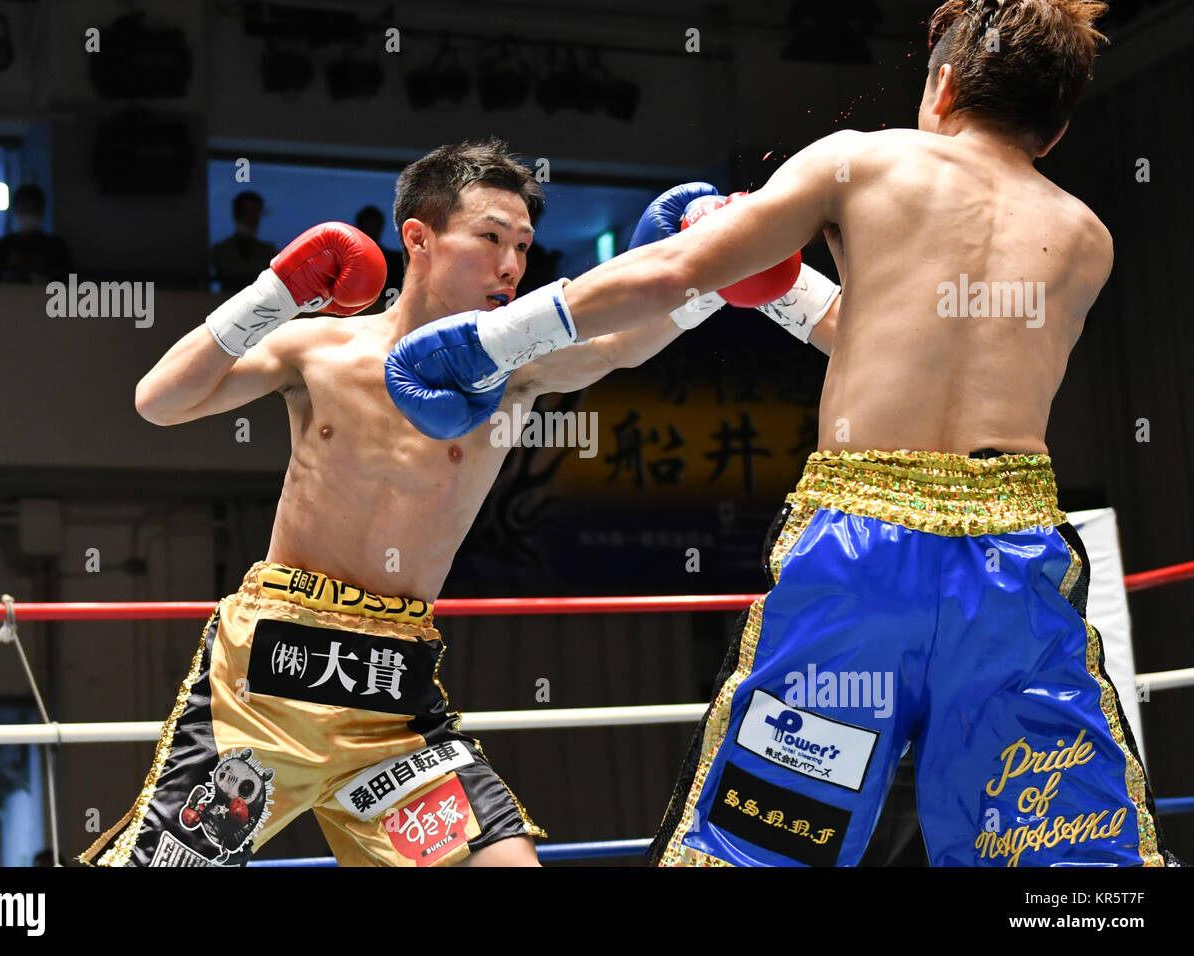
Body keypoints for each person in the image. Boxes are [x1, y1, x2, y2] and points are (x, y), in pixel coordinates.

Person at [383, 0, 1182, 866]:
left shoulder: (860, 160)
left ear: (944, 84)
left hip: (861, 550)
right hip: (1014, 561)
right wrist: (793, 290)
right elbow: (909, 336)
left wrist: (492, 339)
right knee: (1060, 851)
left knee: (764, 836)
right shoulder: (1086, 237)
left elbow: (677, 270)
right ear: (1056, 129)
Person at [80, 139, 716, 868]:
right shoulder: (318, 348)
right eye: (490, 238)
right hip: (270, 679)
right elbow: (160, 401)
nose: (511, 265)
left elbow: (621, 343)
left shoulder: (515, 367)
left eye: (522, 245)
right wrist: (274, 293)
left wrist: (711, 270)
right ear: (419, 237)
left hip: (392, 697)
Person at [0, 184, 72, 284]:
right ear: (16, 210)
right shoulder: (2, 247)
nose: (28, 214)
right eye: (24, 209)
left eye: (33, 209)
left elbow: (68, 282)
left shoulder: (56, 247)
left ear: (42, 211)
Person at [212, 191, 277, 294]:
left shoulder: (268, 251)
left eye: (255, 214)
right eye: (247, 213)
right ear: (236, 215)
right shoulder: (221, 250)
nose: (252, 219)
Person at [353, 204, 406, 314]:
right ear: (360, 227)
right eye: (368, 225)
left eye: (375, 226)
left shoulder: (397, 262)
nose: (371, 231)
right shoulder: (345, 261)